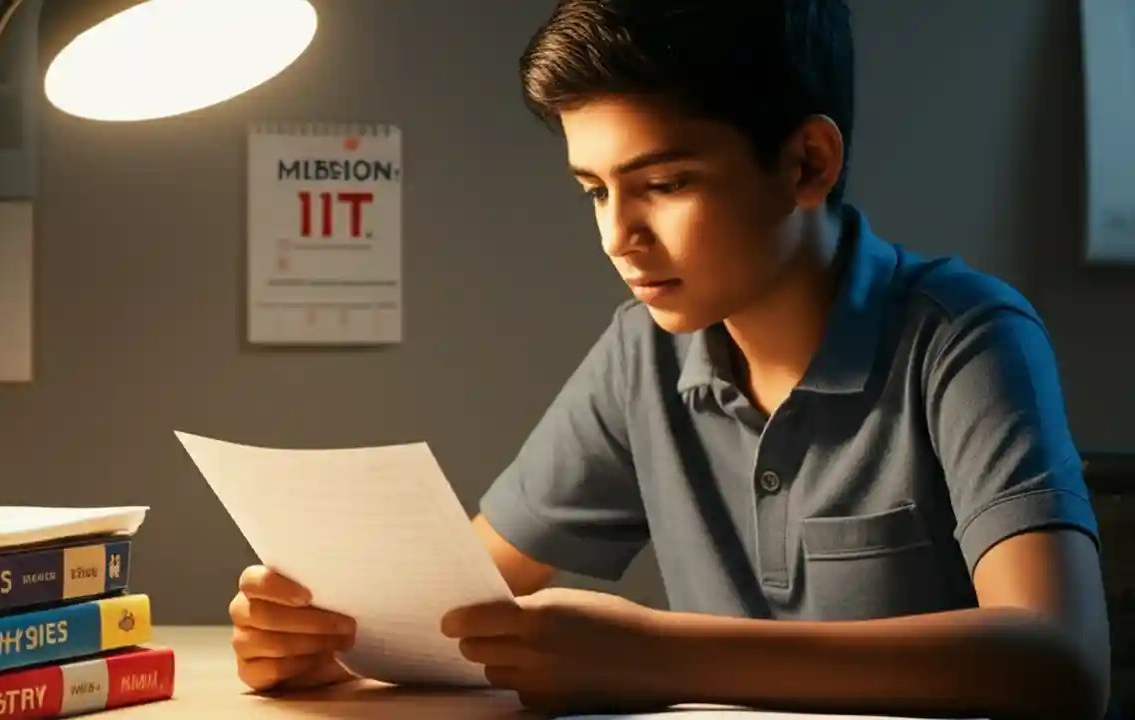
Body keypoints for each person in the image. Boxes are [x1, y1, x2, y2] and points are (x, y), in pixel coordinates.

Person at [228, 1, 1113, 718]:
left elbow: (1063, 661)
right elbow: (456, 599)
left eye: (665, 184)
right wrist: (322, 636)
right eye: (594, 192)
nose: (620, 237)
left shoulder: (963, 334)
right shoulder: (643, 351)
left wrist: (656, 654)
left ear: (808, 161)